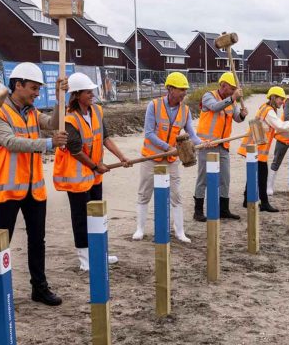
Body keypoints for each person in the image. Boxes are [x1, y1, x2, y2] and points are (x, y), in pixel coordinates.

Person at [0, 62, 66, 306]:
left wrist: (61, 99)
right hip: (6, 188)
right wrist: (49, 144)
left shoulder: (31, 110)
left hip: (33, 188)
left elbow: (51, 123)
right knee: (1, 242)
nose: (37, 93)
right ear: (17, 85)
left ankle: (39, 288)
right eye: (33, 88)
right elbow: (10, 142)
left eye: (39, 89)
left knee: (37, 239)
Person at [53, 72, 131, 270]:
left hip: (95, 176)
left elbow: (105, 138)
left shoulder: (97, 111)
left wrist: (121, 157)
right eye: (88, 92)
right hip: (77, 178)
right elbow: (76, 150)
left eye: (92, 91)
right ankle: (85, 259)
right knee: (80, 218)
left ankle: (100, 252)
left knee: (97, 216)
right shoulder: (69, 120)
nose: (92, 94)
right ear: (77, 94)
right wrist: (96, 166)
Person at [133, 72, 206, 243]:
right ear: (170, 89)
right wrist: (169, 148)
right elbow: (149, 133)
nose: (184, 93)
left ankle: (179, 232)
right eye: (181, 89)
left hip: (172, 160)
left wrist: (204, 143)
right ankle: (140, 229)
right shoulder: (154, 105)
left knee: (176, 195)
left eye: (185, 90)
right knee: (144, 193)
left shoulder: (185, 110)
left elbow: (191, 134)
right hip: (151, 157)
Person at [193, 71, 248, 222]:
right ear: (223, 86)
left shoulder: (232, 101)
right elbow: (215, 107)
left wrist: (242, 114)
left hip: (223, 145)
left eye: (234, 90)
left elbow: (237, 118)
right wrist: (232, 98)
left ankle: (224, 209)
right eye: (231, 89)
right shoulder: (208, 96)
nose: (233, 92)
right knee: (203, 178)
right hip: (206, 144)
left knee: (225, 178)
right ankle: (198, 210)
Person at [238, 86, 289, 212]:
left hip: (255, 147)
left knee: (254, 174)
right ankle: (264, 203)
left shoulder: (265, 108)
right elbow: (279, 125)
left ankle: (246, 200)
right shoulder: (269, 111)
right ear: (273, 97)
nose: (282, 102)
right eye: (280, 99)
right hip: (256, 148)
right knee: (262, 175)